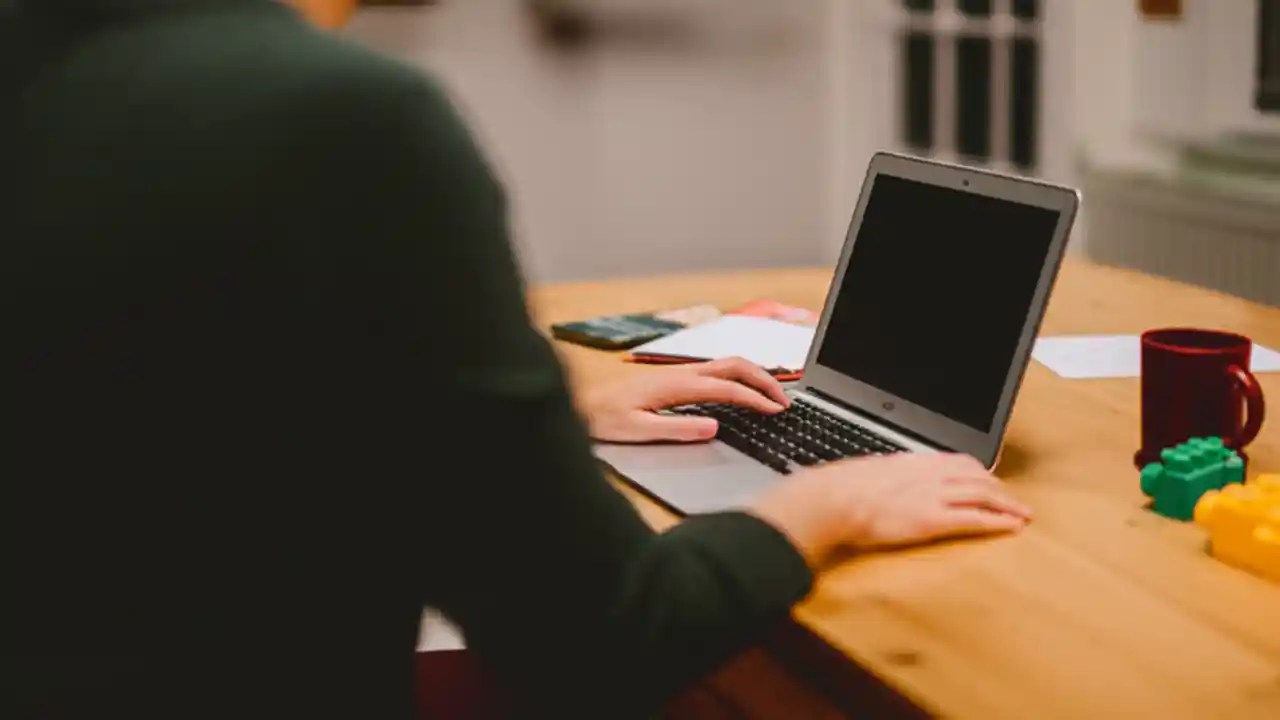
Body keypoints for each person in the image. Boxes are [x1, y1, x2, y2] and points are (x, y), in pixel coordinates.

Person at [1, 1, 1031, 717]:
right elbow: (601, 643)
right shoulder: (341, 117)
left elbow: (155, 393)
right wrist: (830, 504)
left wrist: (527, 409)